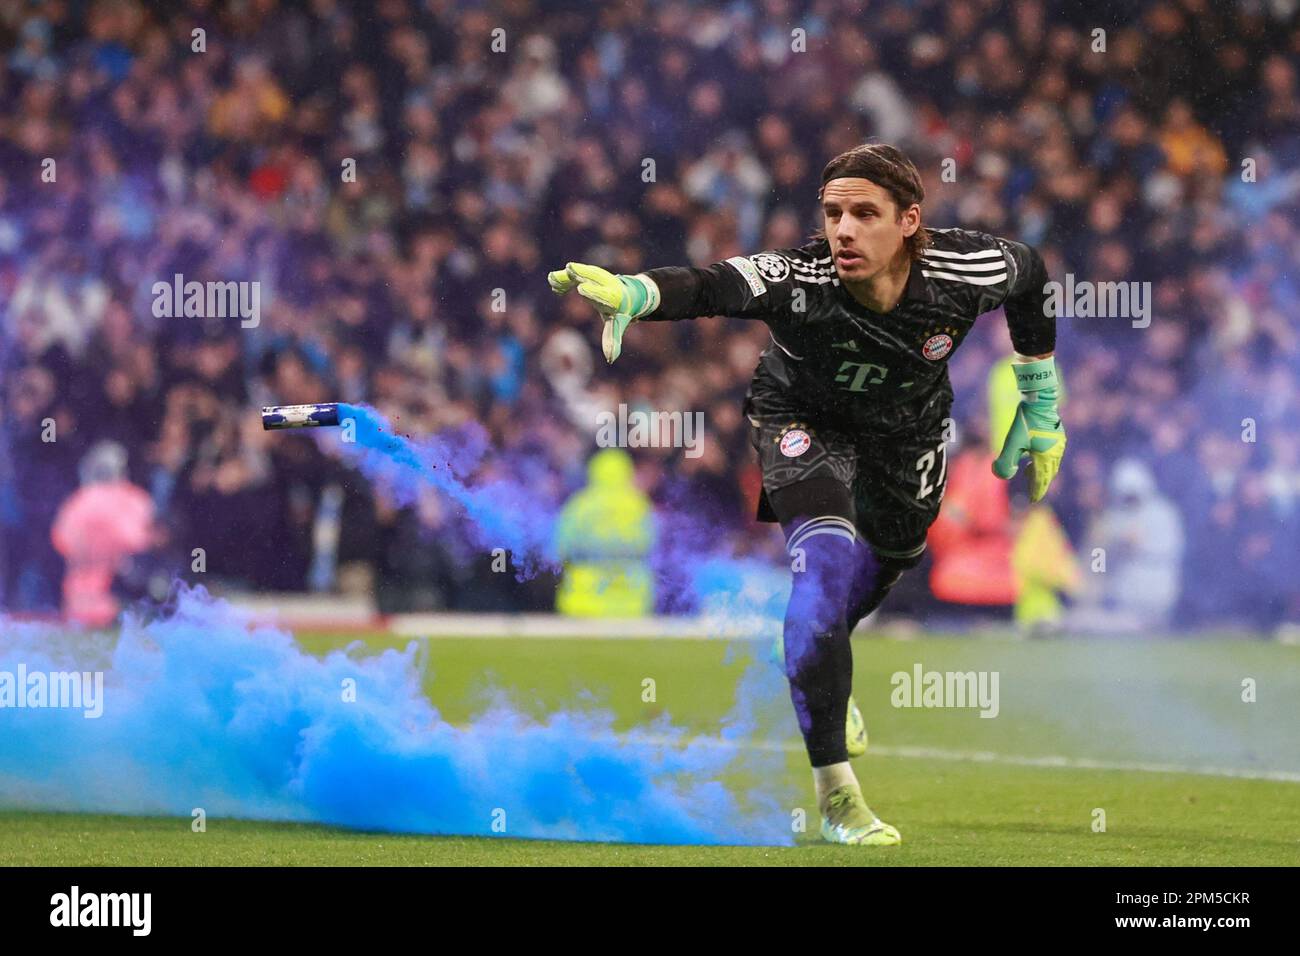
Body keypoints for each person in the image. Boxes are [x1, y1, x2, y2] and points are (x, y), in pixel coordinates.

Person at [549, 143, 1064, 846]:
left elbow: (1031, 275)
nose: (844, 230)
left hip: (907, 436)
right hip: (801, 420)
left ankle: (813, 652)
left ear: (910, 220)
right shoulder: (802, 275)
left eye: (864, 214)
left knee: (885, 563)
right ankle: (836, 795)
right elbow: (712, 285)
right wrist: (638, 293)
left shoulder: (964, 266)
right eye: (833, 214)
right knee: (821, 571)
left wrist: (1040, 394)